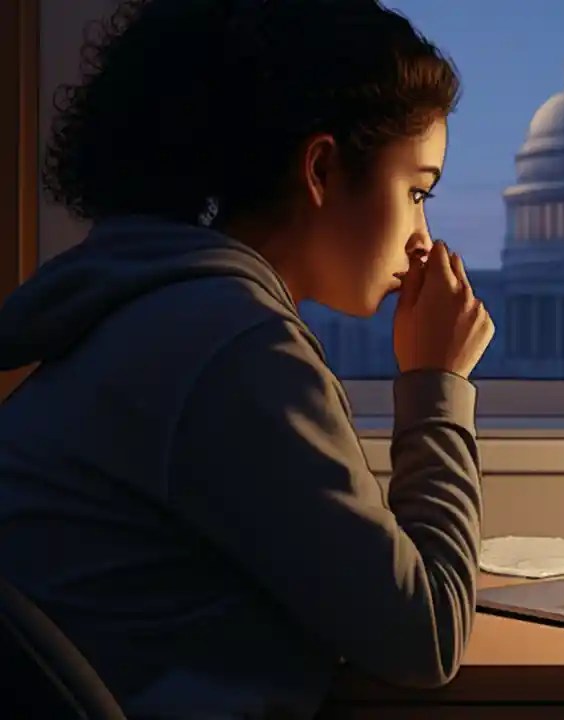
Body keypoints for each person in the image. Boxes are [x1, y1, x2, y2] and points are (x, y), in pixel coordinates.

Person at [0, 0, 492, 717]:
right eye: (416, 191)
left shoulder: (148, 307)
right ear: (322, 169)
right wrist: (436, 384)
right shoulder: (236, 349)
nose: (424, 239)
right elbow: (427, 638)